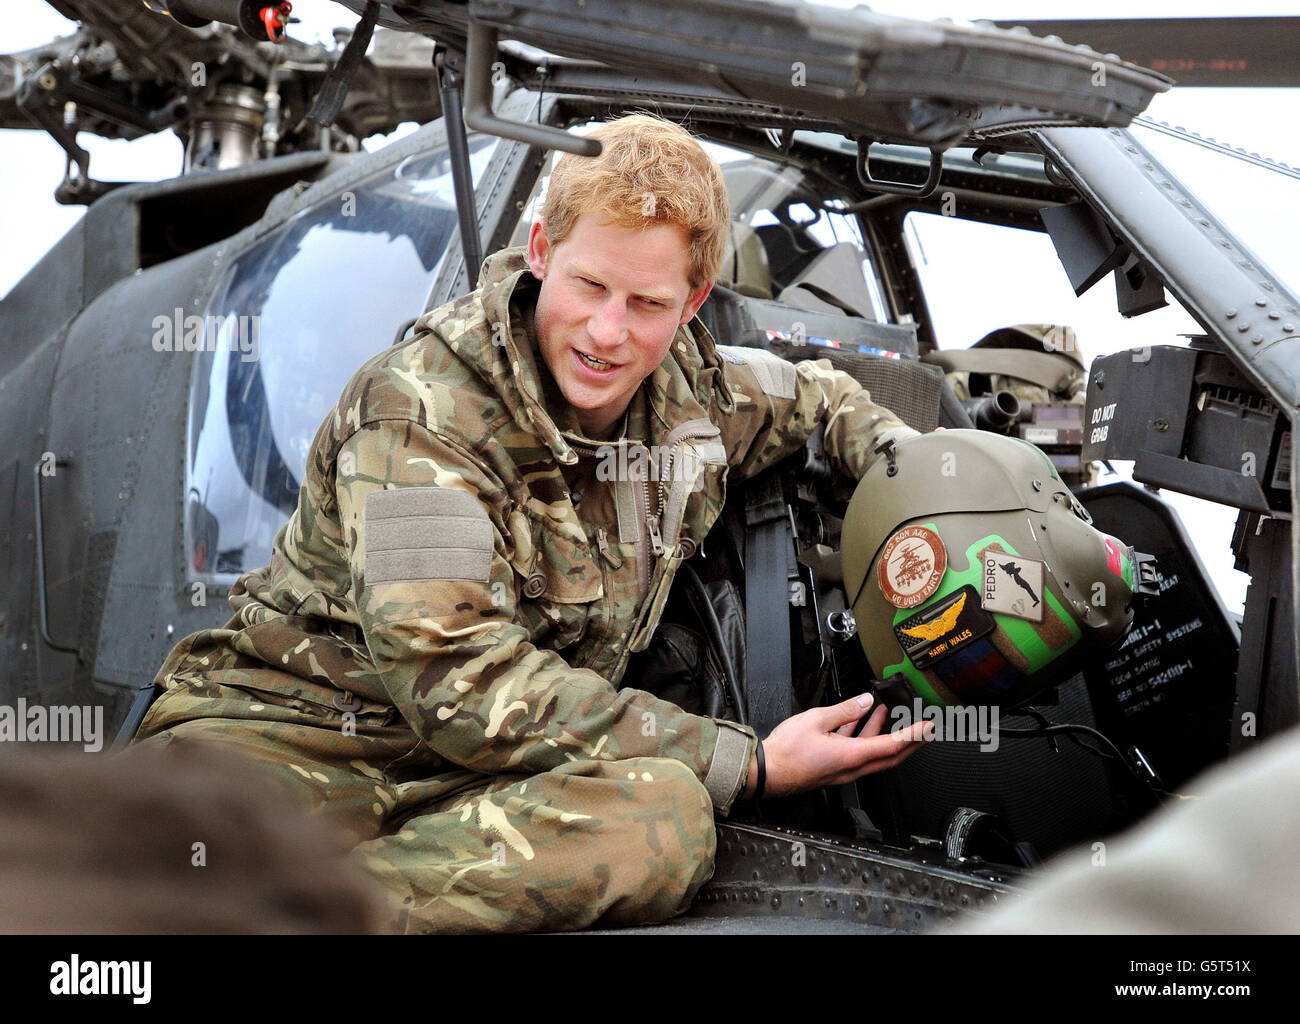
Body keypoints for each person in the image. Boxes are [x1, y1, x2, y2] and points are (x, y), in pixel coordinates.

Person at [130, 113, 931, 933]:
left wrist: (920, 476)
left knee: (664, 823)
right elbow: (456, 679)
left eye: (647, 302)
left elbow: (826, 398)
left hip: (485, 778)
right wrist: (751, 762)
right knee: (166, 889)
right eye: (589, 285)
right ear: (542, 251)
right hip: (303, 742)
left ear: (692, 302)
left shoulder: (697, 400)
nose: (609, 333)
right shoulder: (421, 413)